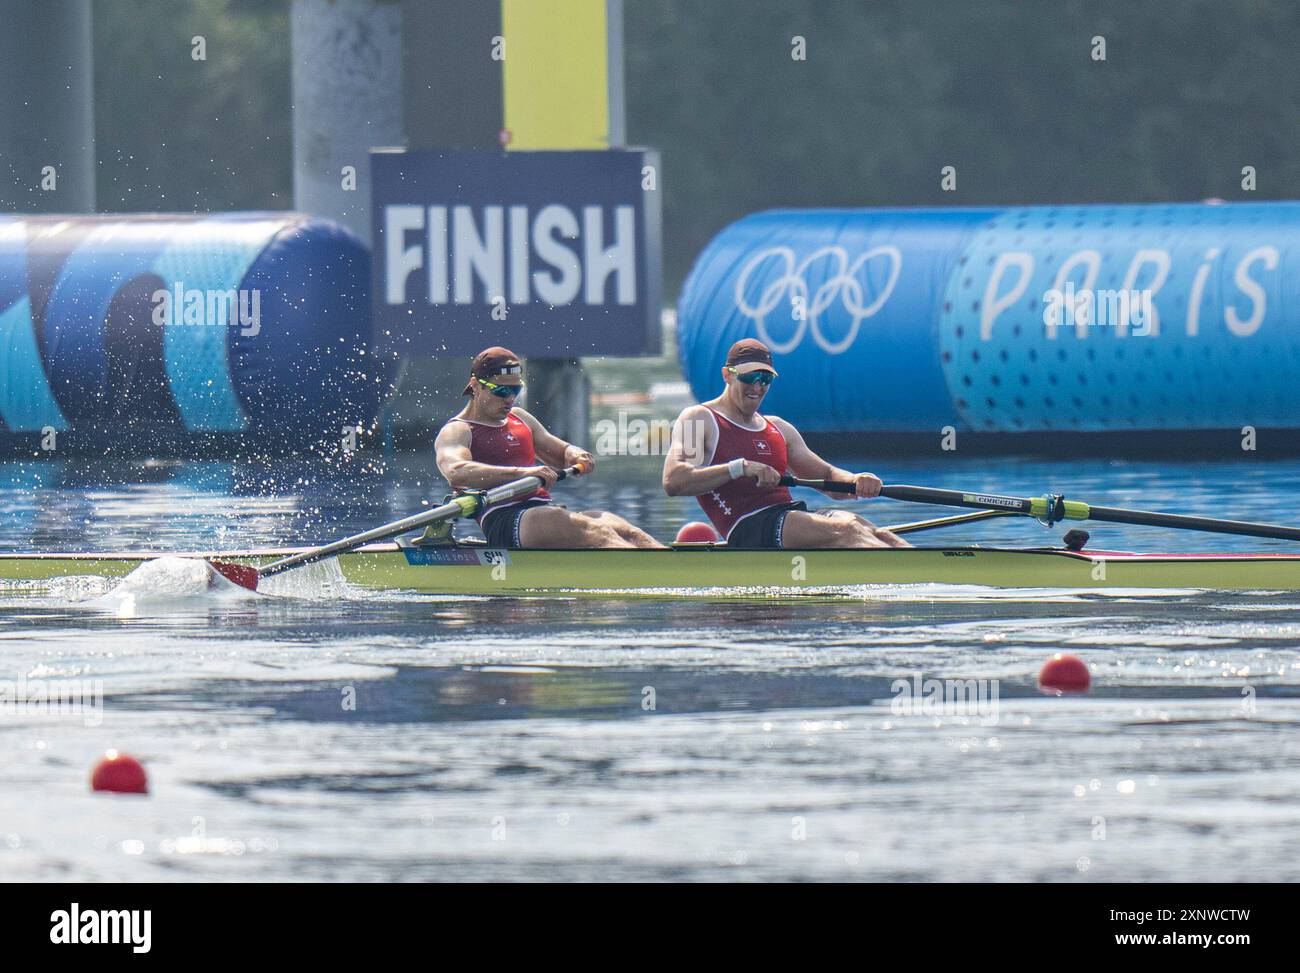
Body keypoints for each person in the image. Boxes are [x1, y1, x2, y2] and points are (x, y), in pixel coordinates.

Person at [662, 338, 909, 549]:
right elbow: (674, 481)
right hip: (750, 528)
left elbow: (828, 477)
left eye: (765, 378)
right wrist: (740, 468)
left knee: (868, 529)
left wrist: (856, 480)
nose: (757, 387)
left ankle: (932, 571)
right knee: (847, 530)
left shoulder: (778, 428)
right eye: (749, 377)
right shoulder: (700, 419)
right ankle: (915, 576)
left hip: (789, 519)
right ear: (727, 375)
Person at [435, 347, 664, 549]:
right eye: (501, 392)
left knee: (618, 526)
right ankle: (650, 576)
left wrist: (575, 453)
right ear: (476, 386)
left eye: (516, 391)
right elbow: (457, 471)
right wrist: (524, 474)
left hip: (541, 511)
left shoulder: (520, 418)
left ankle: (670, 568)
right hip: (503, 520)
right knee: (597, 532)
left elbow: (561, 453)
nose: (510, 399)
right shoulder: (458, 430)